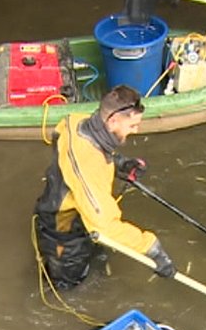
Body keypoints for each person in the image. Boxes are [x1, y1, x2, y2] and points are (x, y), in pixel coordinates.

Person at [33, 85, 176, 290]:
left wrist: (120, 164)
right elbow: (104, 226)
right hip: (64, 233)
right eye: (132, 125)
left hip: (76, 212)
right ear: (113, 121)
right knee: (69, 283)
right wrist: (151, 249)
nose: (136, 130)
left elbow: (61, 137)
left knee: (97, 256)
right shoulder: (87, 166)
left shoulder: (76, 121)